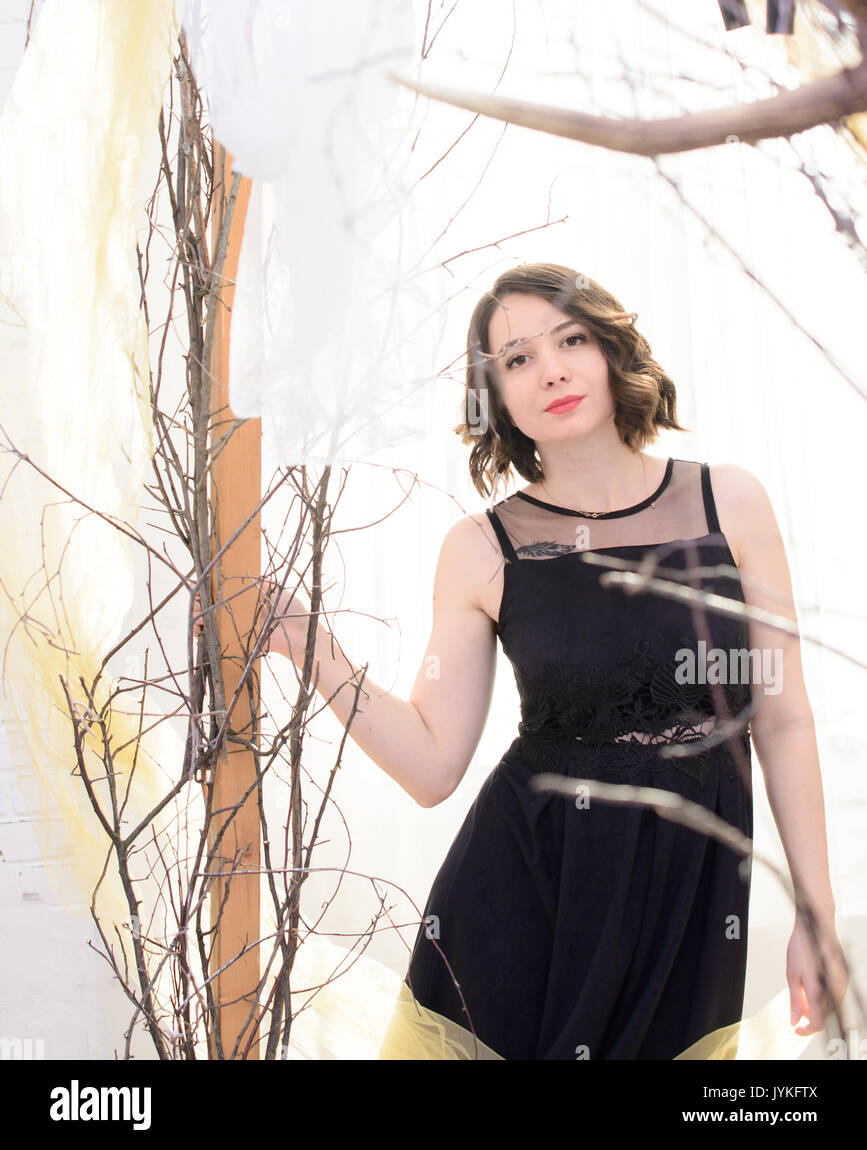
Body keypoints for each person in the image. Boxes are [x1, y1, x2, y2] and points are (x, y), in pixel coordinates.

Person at [194, 262, 848, 1060]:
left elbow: (779, 719)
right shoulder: (481, 549)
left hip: (688, 901)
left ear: (610, 348)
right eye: (516, 359)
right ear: (495, 396)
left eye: (569, 339)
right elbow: (434, 765)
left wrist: (814, 914)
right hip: (526, 895)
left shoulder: (729, 504)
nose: (551, 370)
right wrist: (313, 648)